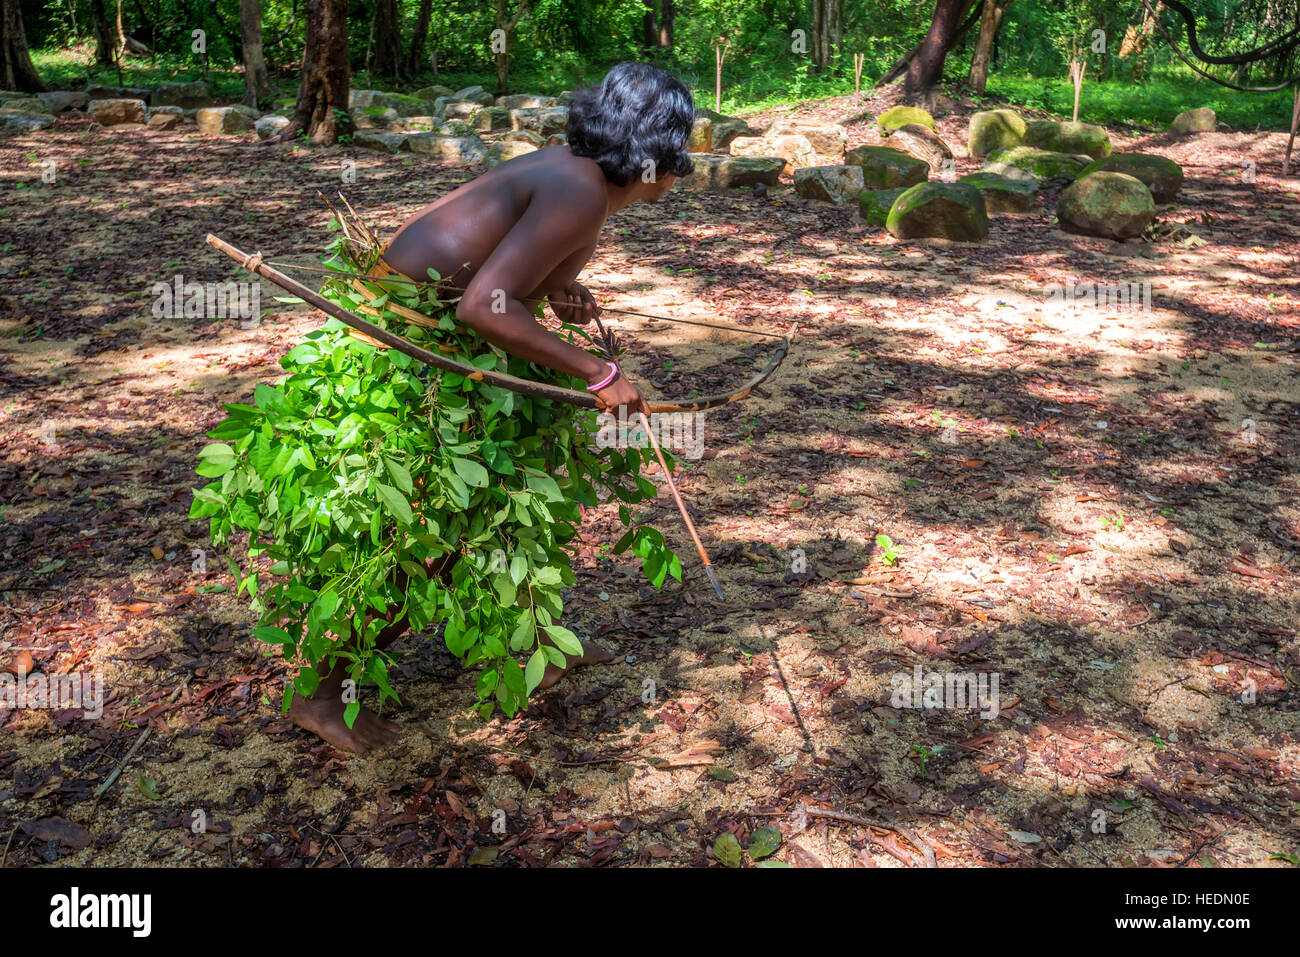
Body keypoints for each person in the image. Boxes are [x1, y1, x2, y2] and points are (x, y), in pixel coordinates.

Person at [283, 62, 697, 753]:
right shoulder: (579, 190)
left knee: (508, 505)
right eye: (678, 150)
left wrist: (563, 290)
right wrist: (599, 373)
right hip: (408, 355)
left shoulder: (578, 177)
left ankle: (529, 649)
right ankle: (319, 694)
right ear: (653, 151)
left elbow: (511, 276)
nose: (680, 169)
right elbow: (485, 305)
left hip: (442, 347)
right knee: (431, 537)